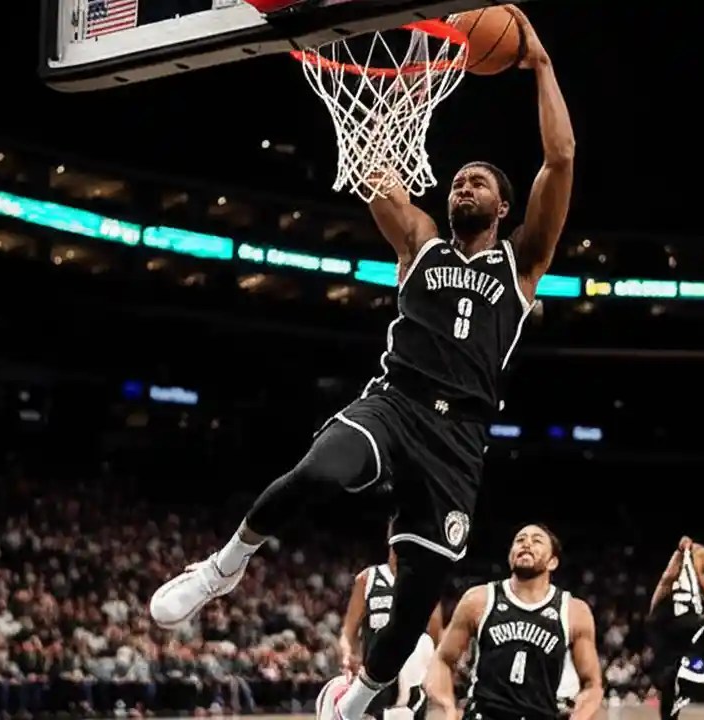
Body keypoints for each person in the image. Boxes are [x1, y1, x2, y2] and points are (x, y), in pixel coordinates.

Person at [149, 8, 575, 720]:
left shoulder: (523, 264)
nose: (463, 187)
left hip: (458, 441)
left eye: (478, 183)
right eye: (459, 180)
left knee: (418, 598)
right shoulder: (419, 243)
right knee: (316, 472)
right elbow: (375, 156)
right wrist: (400, 72)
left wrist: (539, 62)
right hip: (394, 402)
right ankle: (223, 567)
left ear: (504, 205)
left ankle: (369, 692)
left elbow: (559, 160)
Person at [422, 524, 603, 720]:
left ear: (552, 562)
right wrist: (447, 707)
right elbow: (442, 659)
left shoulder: (573, 611)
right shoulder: (479, 600)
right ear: (510, 557)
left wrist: (580, 716)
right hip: (485, 714)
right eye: (520, 540)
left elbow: (592, 685)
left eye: (537, 541)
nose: (526, 544)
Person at [334, 523, 446, 720]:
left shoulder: (426, 585)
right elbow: (347, 633)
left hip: (412, 696)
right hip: (373, 691)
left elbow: (437, 644)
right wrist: (347, 655)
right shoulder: (368, 578)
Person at [646, 538, 704, 719]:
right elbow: (664, 583)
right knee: (674, 676)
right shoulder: (674, 586)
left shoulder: (701, 584)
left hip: (694, 631)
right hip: (679, 631)